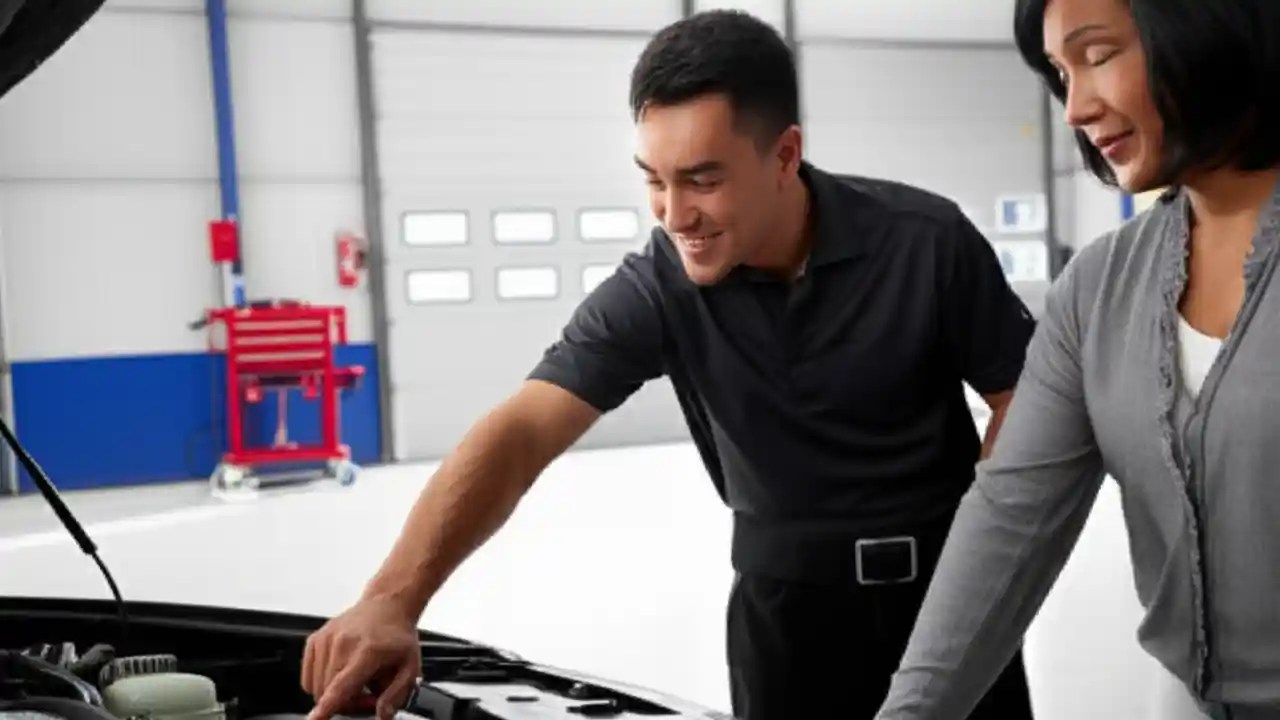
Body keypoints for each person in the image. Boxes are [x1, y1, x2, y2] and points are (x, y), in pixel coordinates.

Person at [300, 10, 1038, 720]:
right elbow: (525, 429)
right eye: (654, 178)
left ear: (784, 155)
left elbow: (1022, 395)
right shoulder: (659, 286)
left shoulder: (927, 242)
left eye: (702, 179)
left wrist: (984, 552)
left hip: (953, 606)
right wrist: (394, 597)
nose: (672, 213)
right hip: (787, 630)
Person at [873, 0, 1280, 719]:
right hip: (1188, 698)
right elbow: (1009, 517)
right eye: (1062, 74)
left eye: (1098, 56)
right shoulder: (1097, 287)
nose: (1075, 108)